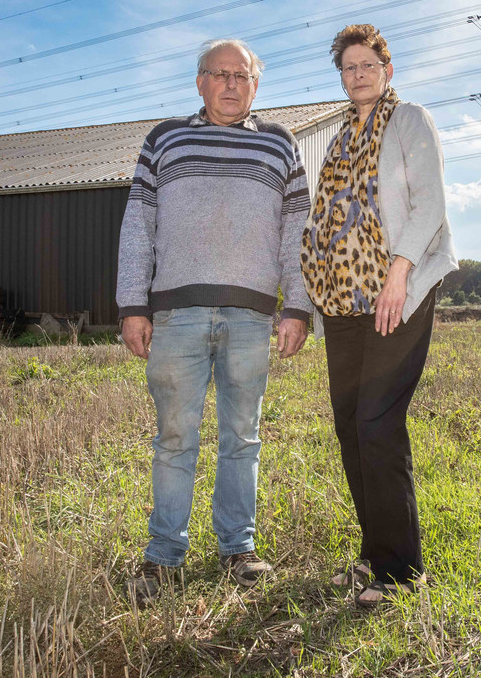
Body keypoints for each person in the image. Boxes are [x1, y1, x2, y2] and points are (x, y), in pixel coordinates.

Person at [116, 38, 311, 606]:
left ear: (257, 84)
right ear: (199, 82)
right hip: (176, 313)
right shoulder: (164, 140)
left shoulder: (279, 146)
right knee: (175, 438)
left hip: (252, 316)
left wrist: (296, 306)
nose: (230, 84)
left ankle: (238, 549)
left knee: (241, 437)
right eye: (218, 74)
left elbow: (296, 231)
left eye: (241, 75)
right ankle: (163, 556)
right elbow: (138, 225)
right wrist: (133, 304)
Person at [301, 23, 457, 608]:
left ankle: (400, 571)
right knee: (349, 423)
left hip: (397, 291)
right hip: (343, 300)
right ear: (341, 77)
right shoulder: (341, 136)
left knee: (377, 421)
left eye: (368, 64)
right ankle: (373, 551)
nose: (359, 74)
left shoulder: (409, 119)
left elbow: (430, 204)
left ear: (386, 71)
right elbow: (326, 214)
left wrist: (399, 273)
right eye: (349, 67)